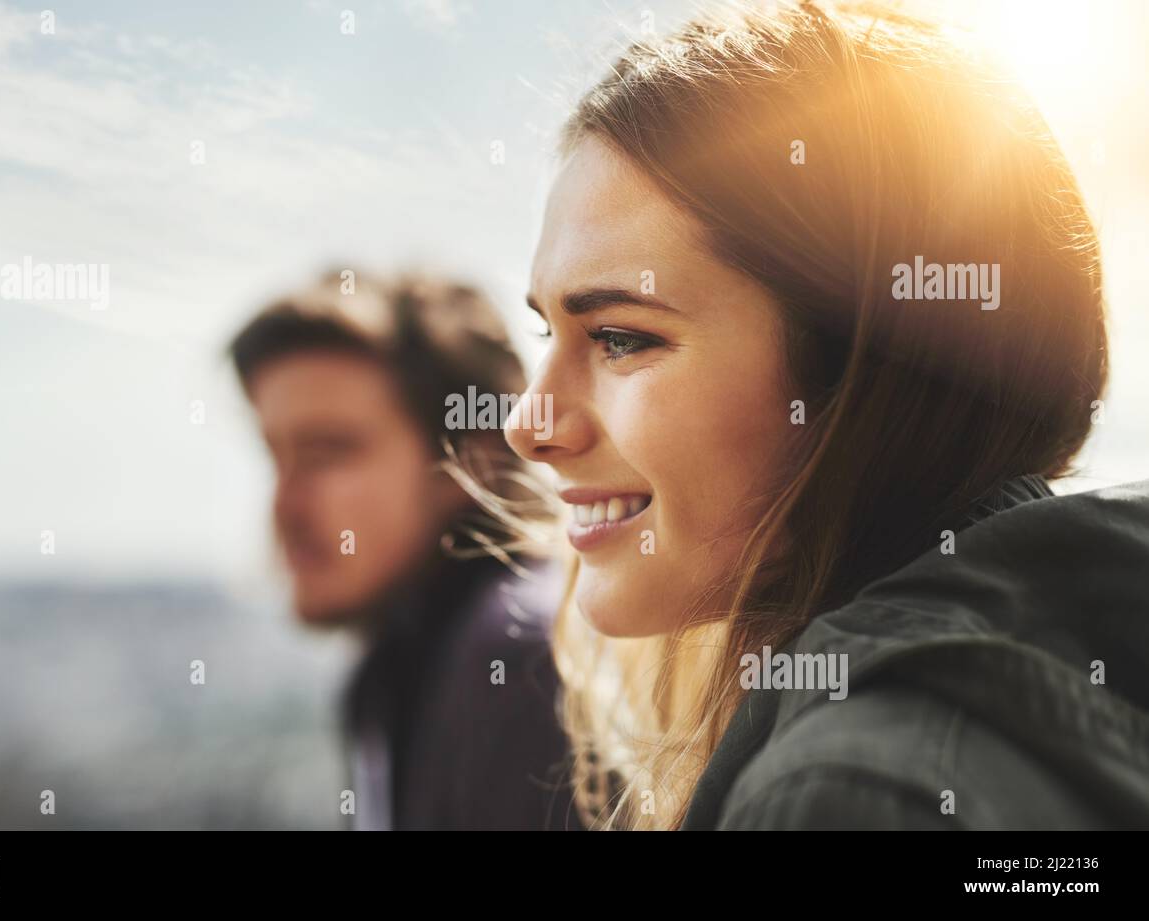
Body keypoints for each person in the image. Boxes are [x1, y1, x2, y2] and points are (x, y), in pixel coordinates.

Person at [503, 1, 1149, 829]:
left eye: (621, 338)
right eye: (545, 329)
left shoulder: (855, 793)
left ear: (865, 371)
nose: (529, 422)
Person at [231, 269, 579, 830]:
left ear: (472, 463)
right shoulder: (406, 666)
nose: (285, 507)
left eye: (328, 453)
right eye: (276, 455)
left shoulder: (519, 657)